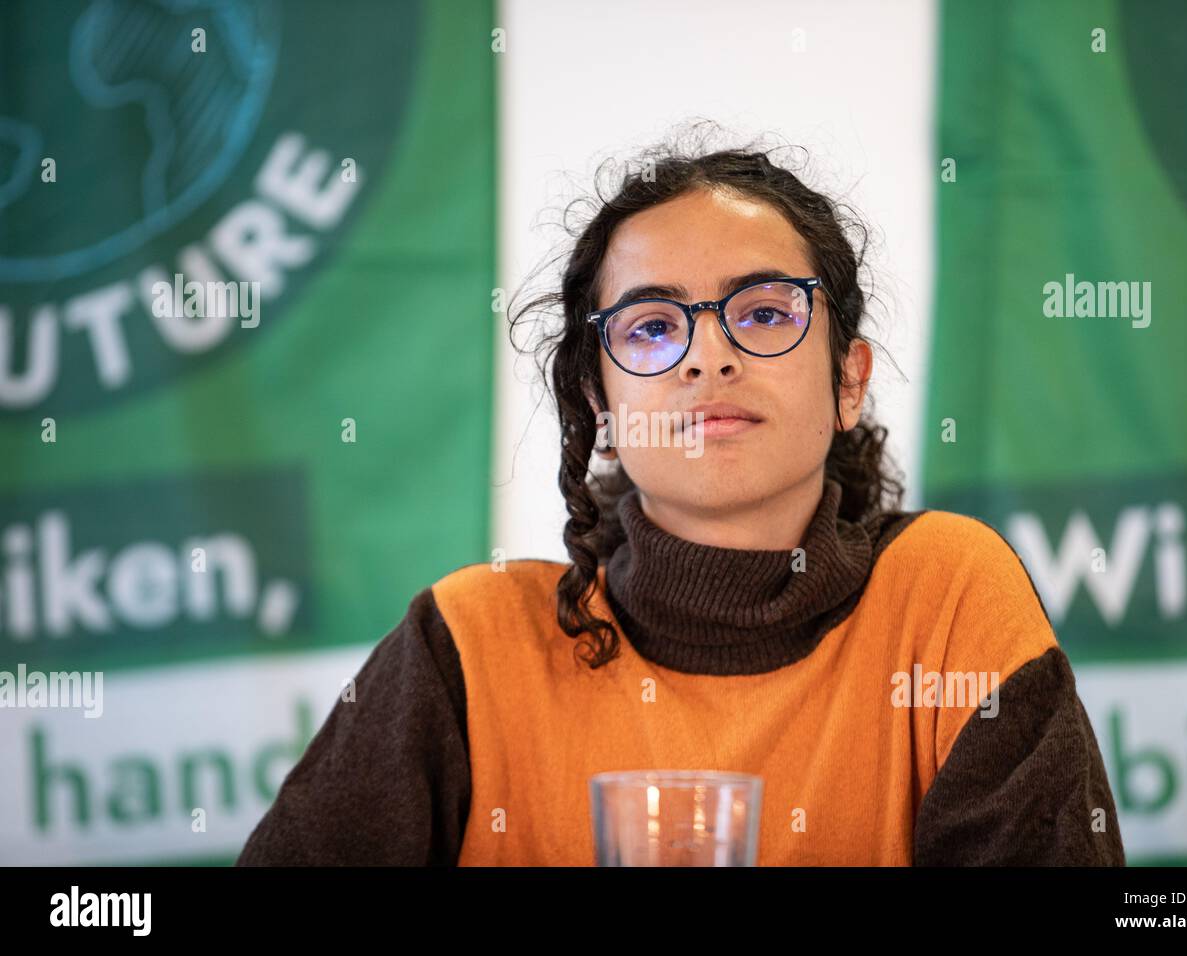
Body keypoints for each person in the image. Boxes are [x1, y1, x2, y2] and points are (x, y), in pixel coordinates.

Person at [237, 131, 1125, 867]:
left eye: (766, 313)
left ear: (849, 381)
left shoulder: (945, 596)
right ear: (603, 405)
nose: (708, 358)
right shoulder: (468, 643)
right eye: (654, 328)